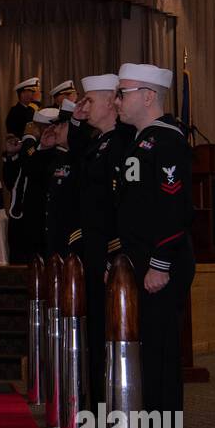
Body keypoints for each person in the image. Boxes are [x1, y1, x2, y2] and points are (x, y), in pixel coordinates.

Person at [114, 64, 194, 428]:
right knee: (148, 357)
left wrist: (160, 263)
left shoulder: (167, 141)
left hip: (160, 264)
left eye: (123, 92)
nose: (117, 100)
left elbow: (172, 208)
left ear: (148, 96)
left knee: (161, 358)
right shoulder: (142, 141)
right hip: (142, 261)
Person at [72, 73, 135, 407]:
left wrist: (116, 253)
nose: (85, 106)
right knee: (95, 331)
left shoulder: (123, 142)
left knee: (108, 333)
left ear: (112, 101)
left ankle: (106, 408)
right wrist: (78, 121)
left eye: (91, 100)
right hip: (93, 248)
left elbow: (120, 204)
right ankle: (94, 406)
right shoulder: (100, 142)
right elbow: (76, 166)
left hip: (109, 249)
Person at [1, 107, 56, 263]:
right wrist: (11, 155)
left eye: (37, 126)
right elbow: (11, 181)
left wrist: (28, 139)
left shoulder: (50, 153)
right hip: (20, 219)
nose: (32, 129)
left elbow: (34, 169)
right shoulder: (32, 150)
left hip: (38, 225)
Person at [41, 103, 81, 259]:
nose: (55, 130)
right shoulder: (61, 157)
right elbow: (38, 181)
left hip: (73, 245)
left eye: (61, 125)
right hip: (55, 242)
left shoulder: (82, 159)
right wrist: (43, 149)